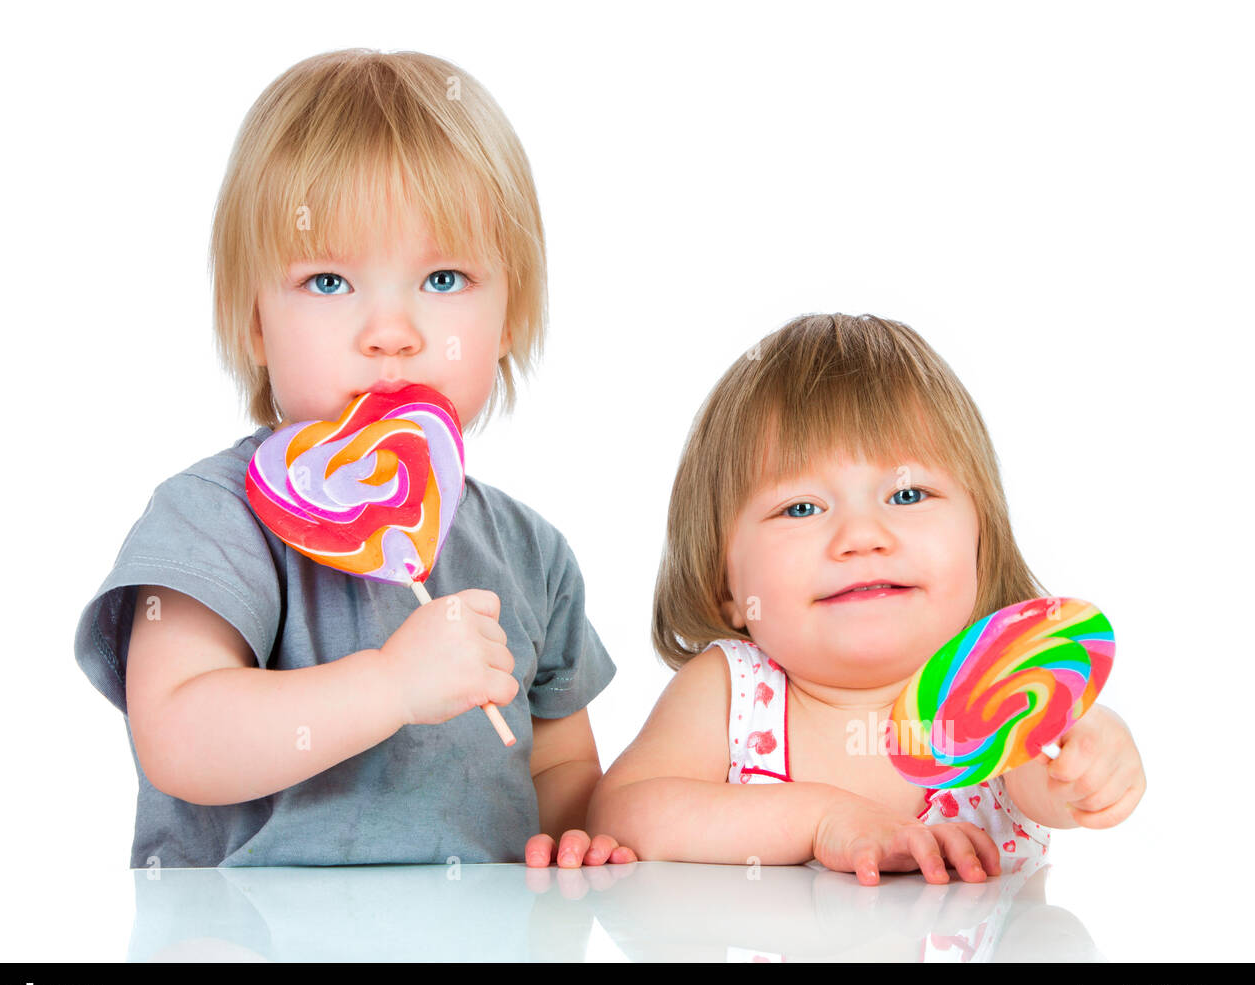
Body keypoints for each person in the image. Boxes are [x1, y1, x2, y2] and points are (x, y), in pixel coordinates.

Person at [74, 48, 633, 870]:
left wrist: (579, 833)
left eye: (444, 277)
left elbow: (556, 764)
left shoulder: (531, 554)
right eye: (329, 281)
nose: (391, 331)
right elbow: (180, 734)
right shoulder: (211, 521)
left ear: (510, 314)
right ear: (255, 324)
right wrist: (389, 686)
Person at [589, 313, 1144, 884]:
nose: (861, 536)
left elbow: (1050, 781)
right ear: (726, 585)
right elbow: (623, 814)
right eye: (801, 508)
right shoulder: (734, 691)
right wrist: (823, 818)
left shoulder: (997, 684)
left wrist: (1090, 760)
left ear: (981, 540)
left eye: (907, 494)